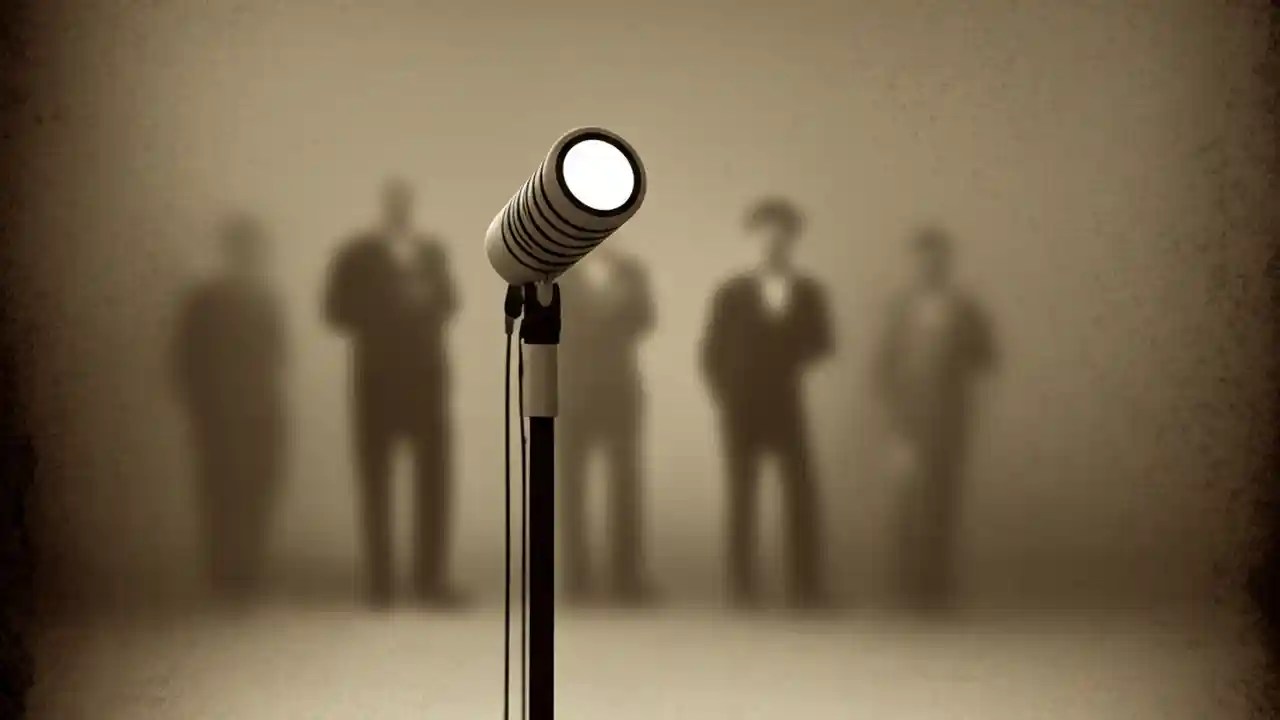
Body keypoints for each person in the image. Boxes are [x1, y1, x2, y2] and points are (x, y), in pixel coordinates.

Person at [324, 179, 462, 608]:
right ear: (385, 207)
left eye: (406, 202)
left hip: (427, 381)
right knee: (376, 481)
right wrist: (388, 303)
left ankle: (430, 580)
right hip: (377, 381)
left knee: (434, 481)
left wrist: (425, 300)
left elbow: (452, 302)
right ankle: (380, 581)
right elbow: (335, 311)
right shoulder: (356, 255)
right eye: (395, 202)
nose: (401, 209)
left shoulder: (432, 252)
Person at [701, 198, 833, 609]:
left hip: (787, 402)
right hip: (740, 408)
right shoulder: (730, 292)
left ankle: (805, 585)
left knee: (800, 491)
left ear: (792, 240)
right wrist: (727, 395)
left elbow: (824, 342)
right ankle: (741, 586)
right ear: (753, 239)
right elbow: (710, 352)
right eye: (764, 234)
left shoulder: (809, 291)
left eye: (781, 235)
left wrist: (786, 354)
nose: (772, 243)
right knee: (742, 493)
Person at [873, 226, 996, 611]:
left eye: (936, 257)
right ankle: (903, 587)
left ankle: (936, 587)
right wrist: (892, 418)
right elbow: (882, 364)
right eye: (922, 257)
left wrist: (959, 348)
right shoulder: (899, 308)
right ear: (914, 262)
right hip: (906, 420)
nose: (929, 264)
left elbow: (987, 357)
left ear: (947, 261)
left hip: (950, 419)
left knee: (943, 500)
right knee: (905, 500)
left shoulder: (965, 308)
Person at [173, 215, 287, 600]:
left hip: (255, 409)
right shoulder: (208, 301)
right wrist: (201, 404)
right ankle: (227, 572)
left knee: (253, 488)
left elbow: (278, 356)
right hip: (224, 411)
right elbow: (186, 357)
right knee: (224, 489)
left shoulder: (260, 300)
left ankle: (243, 571)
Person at [557, 246, 657, 604]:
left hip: (620, 392)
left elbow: (646, 319)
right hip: (572, 393)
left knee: (625, 485)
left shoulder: (632, 270)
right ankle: (575, 578)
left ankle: (626, 577)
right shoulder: (558, 272)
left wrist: (617, 305)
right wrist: (606, 310)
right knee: (571, 487)